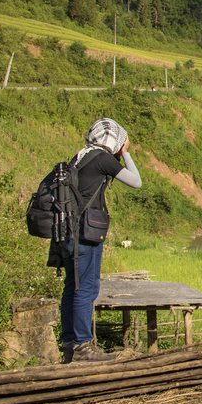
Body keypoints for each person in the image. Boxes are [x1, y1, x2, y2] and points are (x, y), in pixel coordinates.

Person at [60, 118, 142, 363]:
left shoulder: (80, 156)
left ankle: (69, 345)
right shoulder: (103, 159)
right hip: (85, 233)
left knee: (72, 288)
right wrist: (125, 153)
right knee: (86, 288)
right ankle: (83, 347)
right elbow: (136, 182)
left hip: (68, 231)